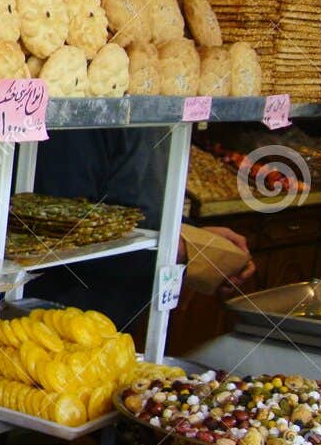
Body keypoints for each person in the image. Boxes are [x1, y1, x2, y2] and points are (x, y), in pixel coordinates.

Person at [20, 127, 255, 333]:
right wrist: (173, 247)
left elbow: (138, 205)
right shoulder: (84, 120)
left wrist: (195, 236)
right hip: (58, 319)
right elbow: (63, 230)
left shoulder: (160, 114)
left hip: (116, 319)